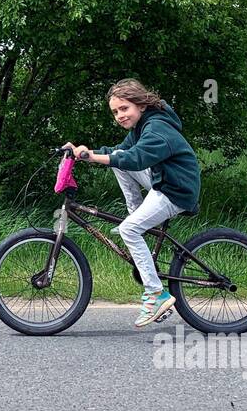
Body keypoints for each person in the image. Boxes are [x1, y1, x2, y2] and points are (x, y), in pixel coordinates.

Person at [63, 79, 201, 328]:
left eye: (124, 108)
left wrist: (94, 156)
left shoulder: (157, 128)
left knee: (128, 229)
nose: (119, 115)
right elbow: (120, 152)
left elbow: (136, 159)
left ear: (141, 104)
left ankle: (156, 294)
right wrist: (86, 152)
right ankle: (136, 218)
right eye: (115, 112)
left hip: (176, 189)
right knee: (117, 158)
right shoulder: (140, 127)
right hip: (164, 180)